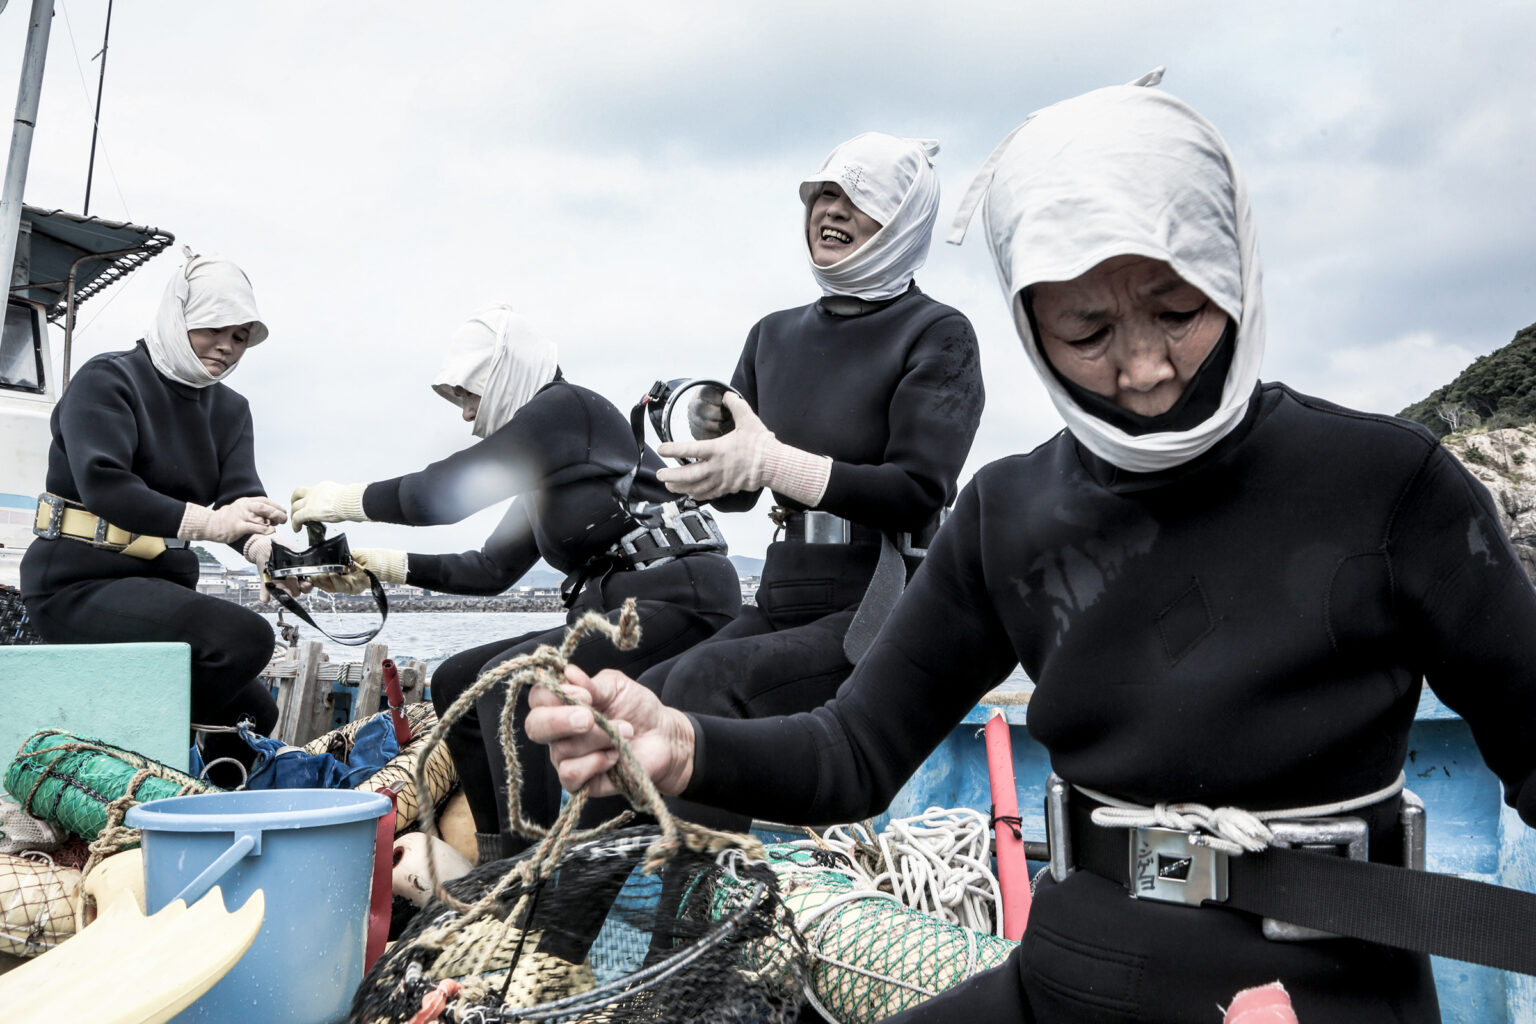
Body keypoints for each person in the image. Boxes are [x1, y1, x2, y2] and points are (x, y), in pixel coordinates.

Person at [527, 83, 1536, 1023]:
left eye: (1179, 309)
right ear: (1029, 319)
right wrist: (686, 745)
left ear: (1235, 264)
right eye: (1087, 329)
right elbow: (853, 750)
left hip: (1325, 993)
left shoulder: (1391, 486)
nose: (1143, 367)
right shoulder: (1006, 511)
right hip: (1066, 982)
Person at [293, 306, 739, 862]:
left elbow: (441, 494)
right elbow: (488, 570)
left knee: (507, 682)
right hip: (621, 612)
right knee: (459, 679)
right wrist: (377, 564)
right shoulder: (554, 463)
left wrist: (345, 501)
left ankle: (525, 873)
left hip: (683, 598)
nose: (465, 414)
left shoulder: (569, 410)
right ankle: (494, 852)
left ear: (503, 372)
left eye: (467, 396)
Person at [636, 133, 984, 829]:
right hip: (785, 583)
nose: (831, 210)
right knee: (646, 694)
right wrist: (696, 465)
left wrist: (773, 462)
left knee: (705, 683)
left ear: (905, 223)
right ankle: (593, 900)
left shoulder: (938, 334)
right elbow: (739, 490)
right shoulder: (773, 334)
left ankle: (699, 910)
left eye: (858, 200)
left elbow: (918, 489)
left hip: (879, 606)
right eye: (823, 193)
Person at [21, 254, 297, 780]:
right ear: (179, 315)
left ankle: (206, 819)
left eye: (240, 336)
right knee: (245, 639)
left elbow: (243, 501)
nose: (227, 346)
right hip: (76, 583)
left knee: (255, 714)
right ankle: (111, 762)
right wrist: (210, 524)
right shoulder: (108, 379)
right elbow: (105, 484)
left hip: (159, 587)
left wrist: (271, 555)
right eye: (214, 327)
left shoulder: (232, 409)